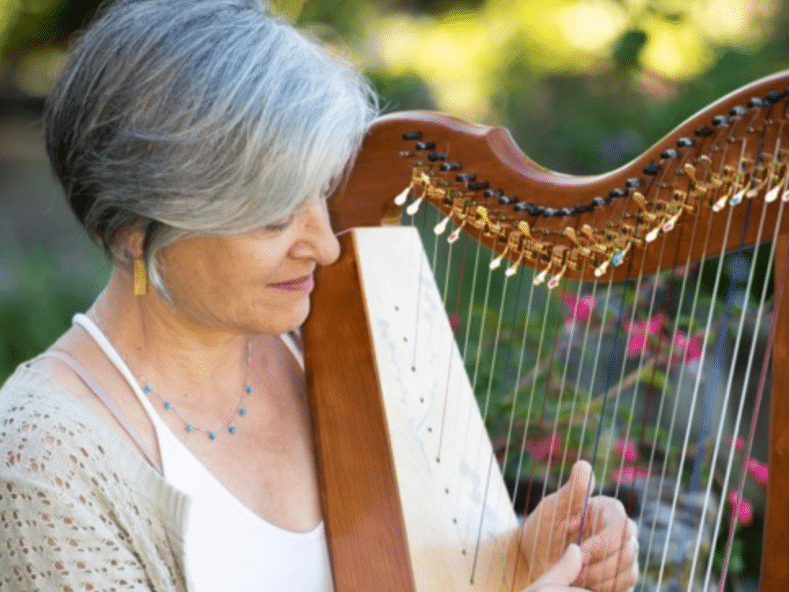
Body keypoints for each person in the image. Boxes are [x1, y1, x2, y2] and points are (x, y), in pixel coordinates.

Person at [0, 0, 639, 590]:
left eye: (321, 193)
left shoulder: (322, 348)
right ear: (135, 230)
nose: (325, 246)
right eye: (275, 215)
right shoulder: (46, 457)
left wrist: (521, 561)